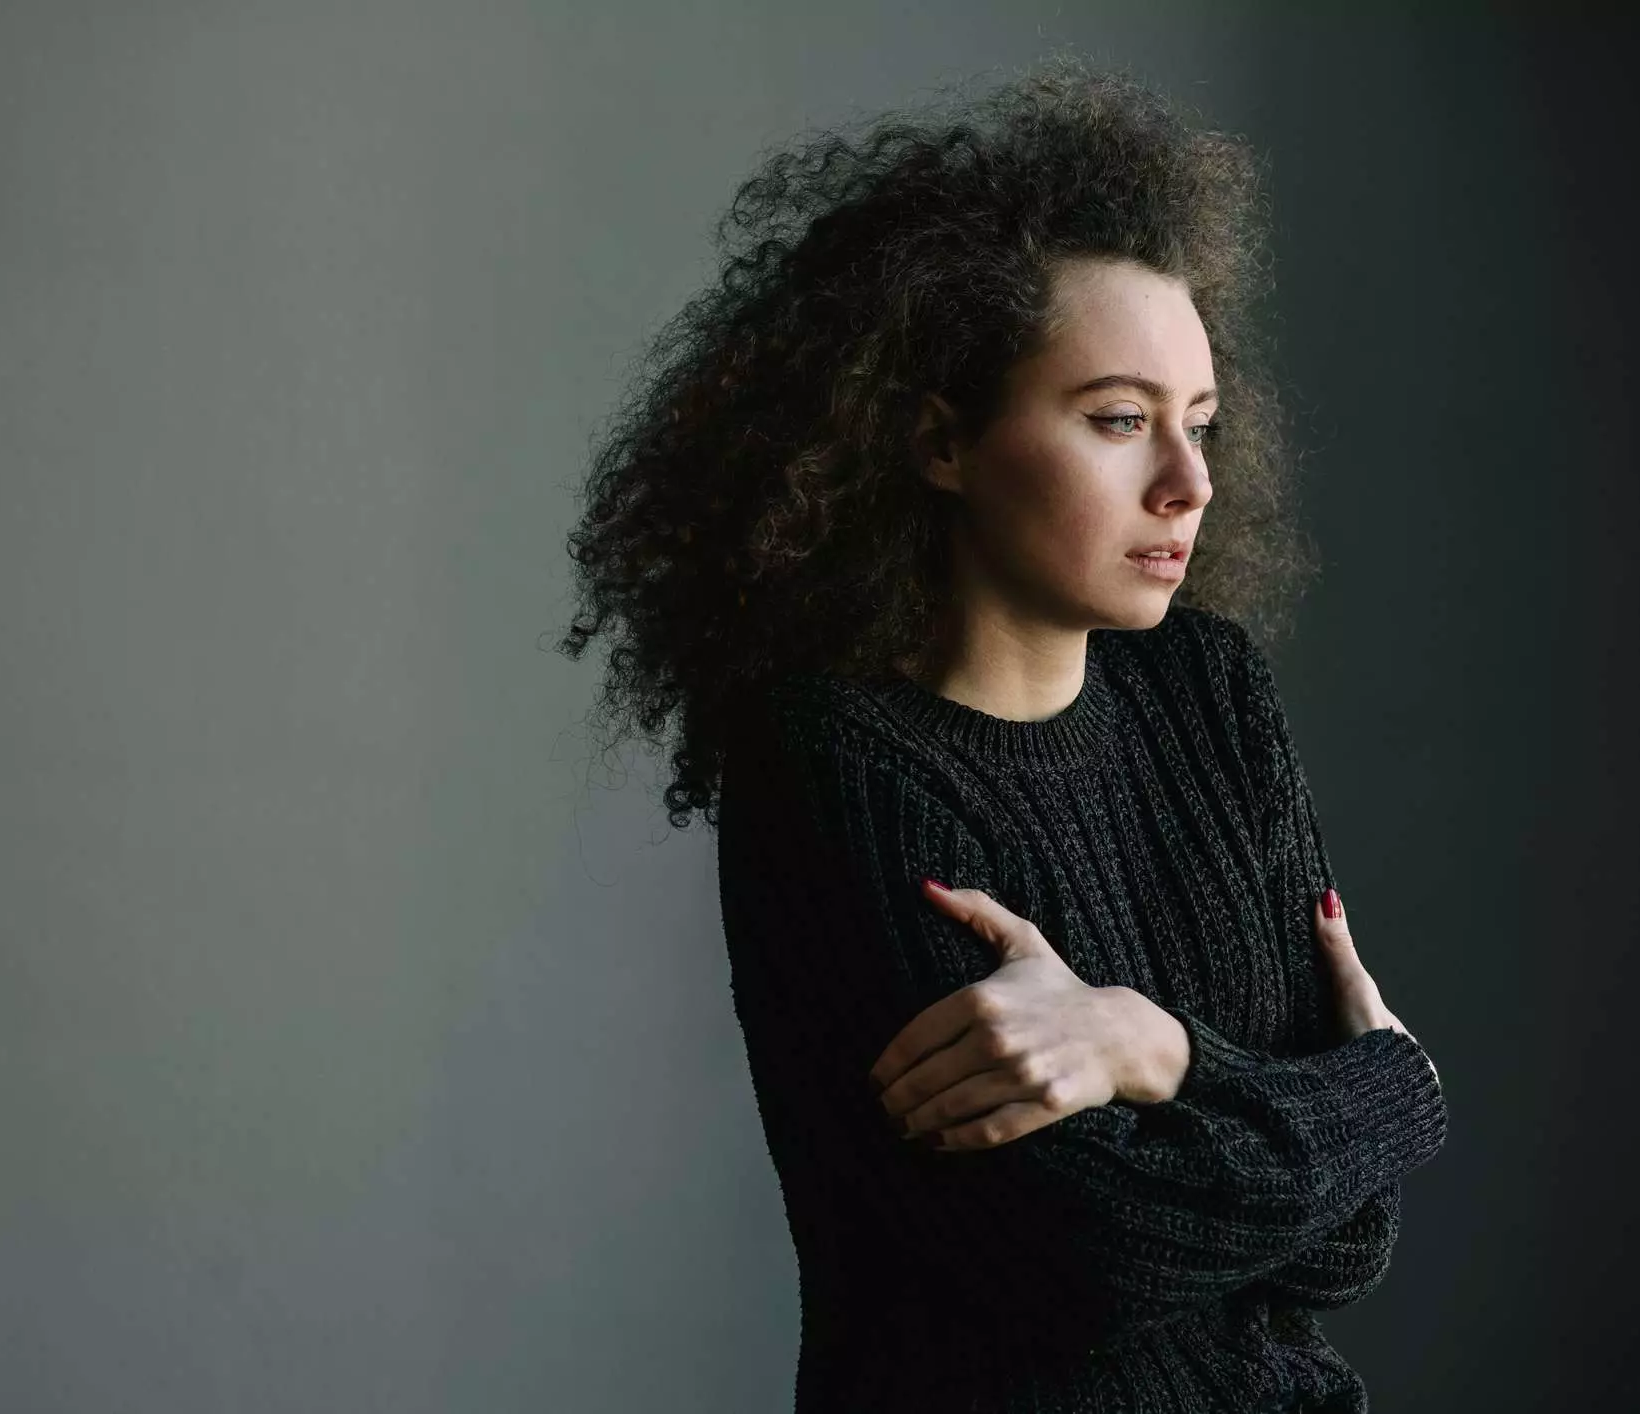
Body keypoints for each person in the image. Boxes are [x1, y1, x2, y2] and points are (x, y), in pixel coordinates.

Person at [555, 54, 1448, 1413]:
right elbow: (1083, 1258)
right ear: (939, 441)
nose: (1189, 482)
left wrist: (1160, 1051)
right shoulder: (839, 763)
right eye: (1117, 421)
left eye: (1200, 423)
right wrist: (1387, 1086)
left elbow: (1350, 1241)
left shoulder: (1208, 689)